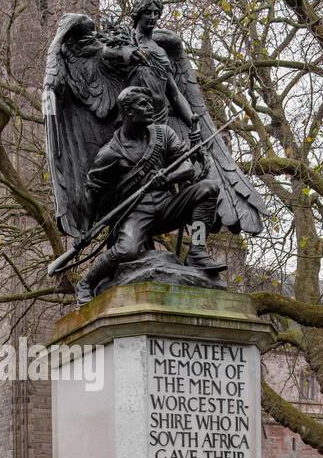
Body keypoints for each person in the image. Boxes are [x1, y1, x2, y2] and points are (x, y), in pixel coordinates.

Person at [76, 86, 222, 302]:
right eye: (143, 104)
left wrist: (168, 177)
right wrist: (85, 230)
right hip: (135, 212)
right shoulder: (110, 153)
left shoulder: (164, 134)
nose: (150, 107)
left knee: (208, 189)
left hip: (167, 205)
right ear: (128, 111)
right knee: (127, 250)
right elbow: (91, 190)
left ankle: (197, 251)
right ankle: (86, 282)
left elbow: (188, 168)